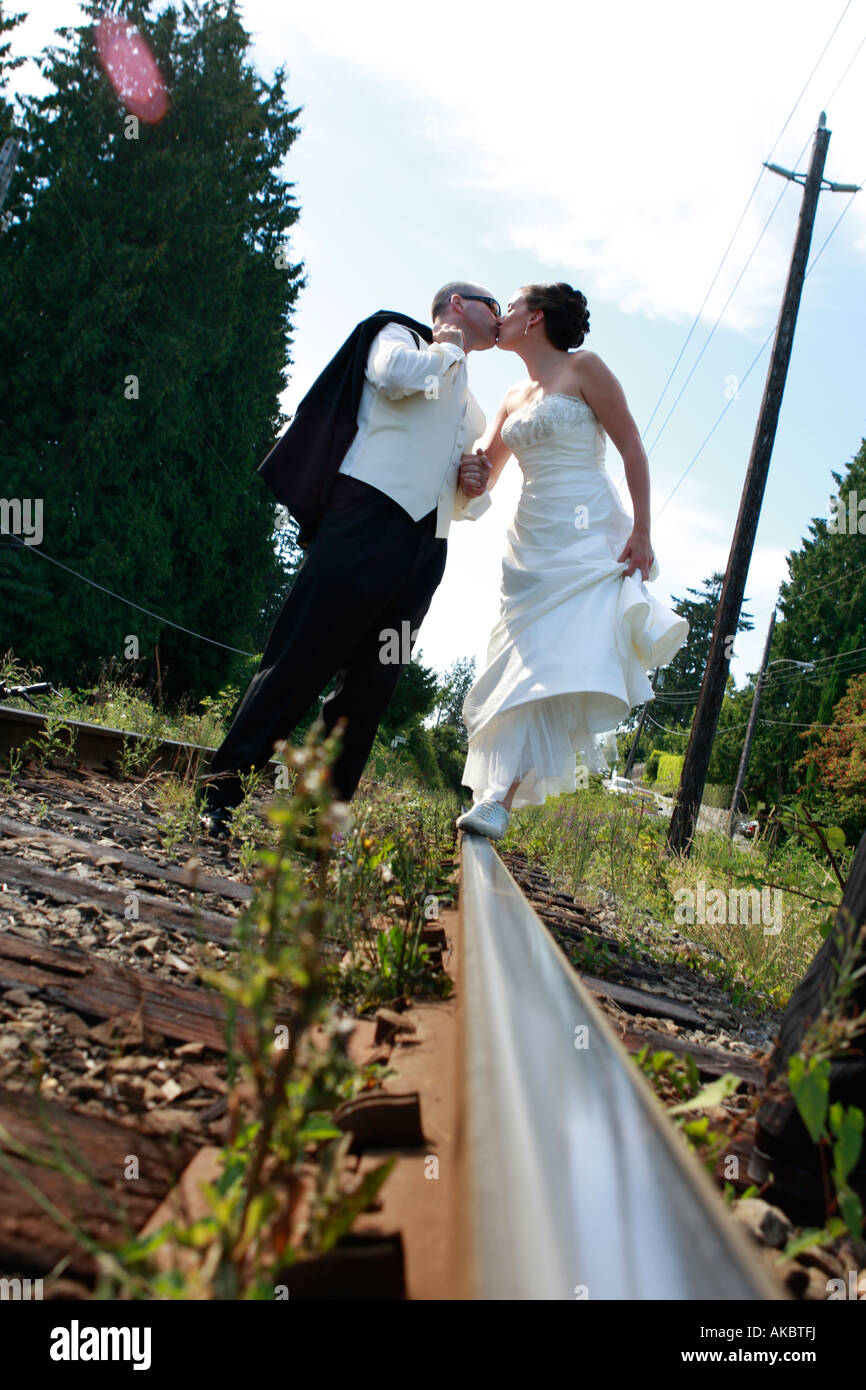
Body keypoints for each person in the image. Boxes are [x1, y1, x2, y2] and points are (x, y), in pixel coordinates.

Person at [199, 283, 500, 837]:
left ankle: (318, 822)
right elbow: (394, 377)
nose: (501, 318)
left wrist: (470, 482)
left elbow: (453, 485)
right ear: (457, 304)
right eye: (493, 306)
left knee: (371, 687)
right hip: (364, 521)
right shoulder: (398, 335)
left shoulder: (469, 398)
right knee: (300, 659)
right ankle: (220, 794)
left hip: (425, 548)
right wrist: (450, 348)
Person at [454, 282, 689, 840]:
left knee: (557, 660)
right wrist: (471, 472)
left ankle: (499, 798)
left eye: (508, 308)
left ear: (533, 319)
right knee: (520, 655)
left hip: (586, 537)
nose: (500, 317)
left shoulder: (586, 369)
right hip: (531, 541)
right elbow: (487, 467)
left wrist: (643, 530)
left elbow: (632, 446)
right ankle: (495, 790)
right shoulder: (513, 397)